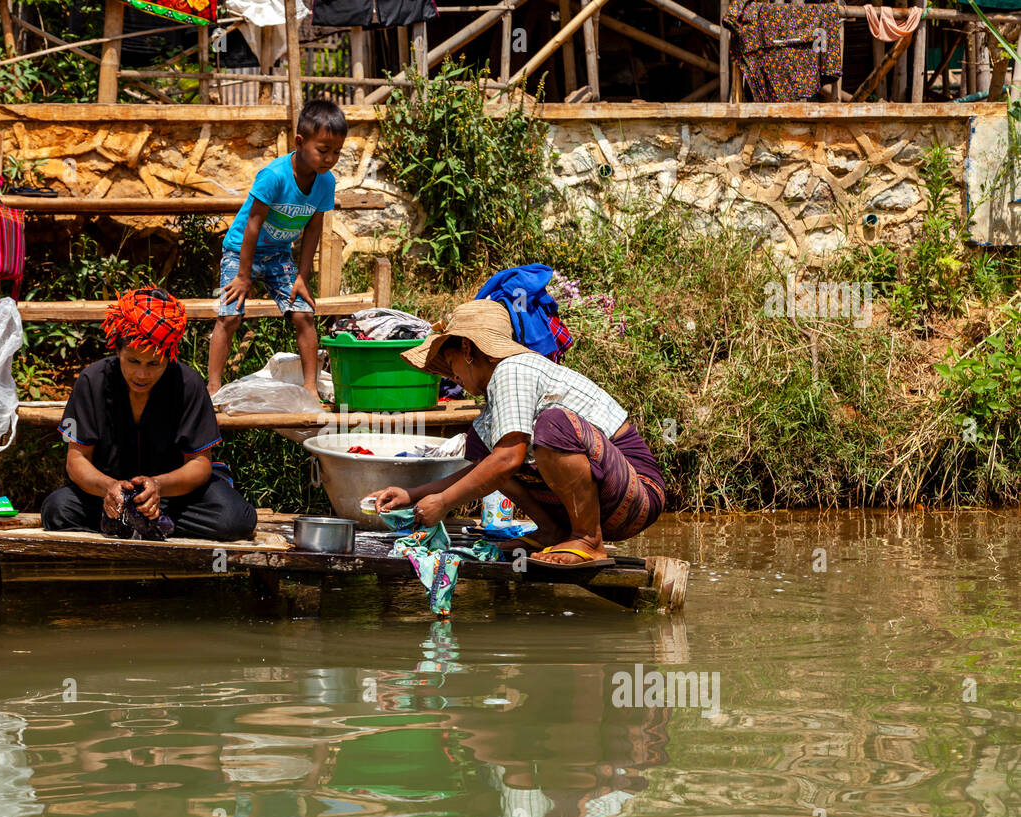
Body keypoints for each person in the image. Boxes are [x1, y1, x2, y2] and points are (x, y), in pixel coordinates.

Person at [369, 301, 666, 569]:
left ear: (469, 350)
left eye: (451, 362)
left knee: (553, 425)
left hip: (636, 494)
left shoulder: (512, 368)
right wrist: (413, 495)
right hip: (606, 502)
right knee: (480, 444)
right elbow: (485, 469)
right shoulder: (497, 392)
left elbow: (508, 459)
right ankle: (551, 531)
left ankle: (587, 538)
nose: (452, 375)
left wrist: (444, 502)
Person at [41, 287, 257, 542]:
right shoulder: (91, 381)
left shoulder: (188, 384)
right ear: (118, 352)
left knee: (235, 519)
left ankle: (140, 523)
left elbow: (200, 464)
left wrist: (159, 486)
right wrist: (109, 487)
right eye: (133, 361)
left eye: (153, 364)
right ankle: (134, 521)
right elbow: (76, 461)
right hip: (110, 497)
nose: (142, 375)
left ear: (169, 357)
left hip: (173, 498)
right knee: (57, 510)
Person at [207, 98, 347, 401]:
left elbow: (313, 228)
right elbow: (252, 225)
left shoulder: (326, 183)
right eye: (323, 151)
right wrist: (243, 276)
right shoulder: (274, 175)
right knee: (230, 316)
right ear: (299, 142)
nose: (329, 159)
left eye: (336, 152)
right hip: (240, 251)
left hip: (278, 255)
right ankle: (213, 388)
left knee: (303, 314)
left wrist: (302, 276)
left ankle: (310, 387)